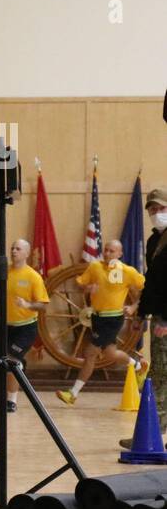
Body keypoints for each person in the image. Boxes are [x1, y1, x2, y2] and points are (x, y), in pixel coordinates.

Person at [57, 239, 146, 406]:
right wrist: (88, 289)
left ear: (120, 254)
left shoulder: (128, 271)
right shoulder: (95, 267)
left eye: (112, 251)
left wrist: (134, 306)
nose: (107, 253)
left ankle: (73, 393)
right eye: (106, 250)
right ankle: (137, 366)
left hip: (113, 319)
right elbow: (79, 286)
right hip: (97, 317)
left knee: (90, 353)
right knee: (110, 354)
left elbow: (145, 289)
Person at [122, 189, 167, 449]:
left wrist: (165, 320)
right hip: (158, 315)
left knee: (161, 374)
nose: (155, 213)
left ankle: (153, 433)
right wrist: (141, 313)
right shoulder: (154, 241)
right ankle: (155, 430)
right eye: (151, 209)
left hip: (166, 320)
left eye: (160, 208)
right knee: (161, 374)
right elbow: (152, 284)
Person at [0, 238, 49, 413]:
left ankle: (12, 400)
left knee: (11, 359)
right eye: (12, 248)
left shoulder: (33, 276)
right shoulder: (4, 273)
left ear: (26, 253)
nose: (14, 251)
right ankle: (0, 395)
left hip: (25, 327)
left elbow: (43, 304)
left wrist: (28, 305)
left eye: (18, 249)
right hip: (6, 326)